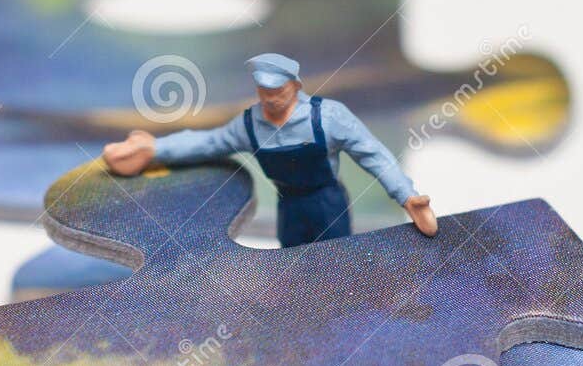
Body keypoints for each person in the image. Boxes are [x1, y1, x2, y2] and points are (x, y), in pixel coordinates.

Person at [102, 53, 437, 247]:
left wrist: (407, 197)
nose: (269, 98)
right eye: (263, 90)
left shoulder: (329, 116)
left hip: (327, 203)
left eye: (276, 90)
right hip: (288, 207)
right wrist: (153, 149)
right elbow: (205, 142)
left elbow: (374, 154)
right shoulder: (249, 125)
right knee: (290, 271)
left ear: (295, 86)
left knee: (337, 270)